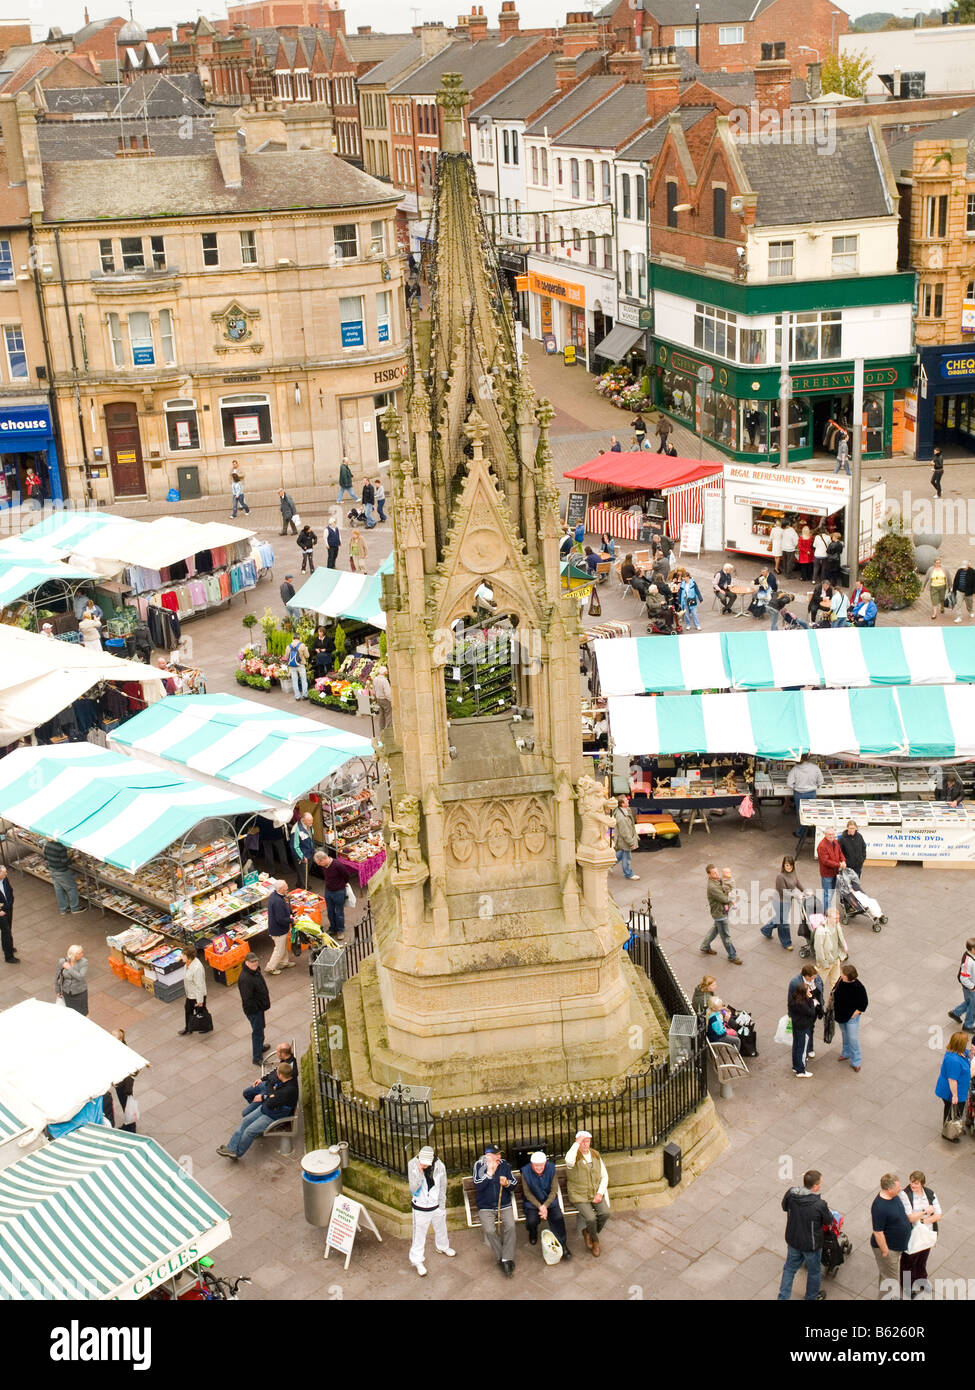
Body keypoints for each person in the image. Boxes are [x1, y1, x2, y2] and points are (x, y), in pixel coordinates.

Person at [217, 1061, 298, 1160]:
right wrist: (271, 1094)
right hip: (267, 1108)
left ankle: (237, 1153)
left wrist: (268, 1094)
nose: (276, 1074)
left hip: (273, 1115)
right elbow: (270, 1083)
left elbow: (271, 1102)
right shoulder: (285, 1078)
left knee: (249, 1131)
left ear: (281, 1075)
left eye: (277, 1073)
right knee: (245, 1121)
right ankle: (231, 1148)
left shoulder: (289, 1090)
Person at [778, 1169, 831, 1301]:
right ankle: (811, 1297)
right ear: (815, 1186)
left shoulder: (791, 1194)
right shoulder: (819, 1204)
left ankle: (782, 1298)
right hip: (811, 1245)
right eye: (820, 1183)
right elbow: (828, 1220)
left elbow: (784, 1207)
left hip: (793, 1240)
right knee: (814, 1272)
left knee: (789, 1270)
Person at [407, 1145, 455, 1275]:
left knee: (441, 1228)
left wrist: (442, 1206)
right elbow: (413, 1188)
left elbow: (443, 1186)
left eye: (426, 1163)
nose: (425, 1165)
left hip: (436, 1206)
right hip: (420, 1207)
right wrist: (420, 1173)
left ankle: (443, 1247)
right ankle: (417, 1260)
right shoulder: (412, 1165)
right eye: (423, 1163)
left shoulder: (440, 1166)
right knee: (419, 1235)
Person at [472, 1143, 517, 1276]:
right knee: (490, 1231)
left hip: (504, 1204)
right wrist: (490, 1174)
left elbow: (513, 1184)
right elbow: (478, 1186)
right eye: (495, 1155)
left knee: (511, 1226)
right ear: (487, 1156)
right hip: (485, 1206)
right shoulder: (479, 1166)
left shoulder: (504, 1165)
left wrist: (507, 1183)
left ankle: (506, 1258)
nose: (499, 1156)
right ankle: (500, 1256)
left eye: (499, 1154)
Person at [565, 1129, 610, 1256]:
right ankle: (595, 1242)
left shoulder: (595, 1154)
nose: (585, 1144)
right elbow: (568, 1161)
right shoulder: (573, 1156)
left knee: (605, 1213)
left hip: (594, 1193)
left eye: (587, 1141)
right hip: (579, 1195)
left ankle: (588, 1232)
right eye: (582, 1141)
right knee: (590, 1218)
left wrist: (600, 1193)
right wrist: (576, 1144)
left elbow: (604, 1176)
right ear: (577, 1142)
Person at [521, 1150, 572, 1260]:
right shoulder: (525, 1172)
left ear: (545, 1164)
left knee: (558, 1218)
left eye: (541, 1166)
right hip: (533, 1202)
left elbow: (554, 1190)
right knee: (531, 1221)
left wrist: (545, 1206)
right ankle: (533, 1232)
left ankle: (562, 1244)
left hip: (549, 1200)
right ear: (531, 1164)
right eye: (536, 1166)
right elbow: (527, 1193)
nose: (539, 1168)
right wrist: (540, 1206)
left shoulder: (551, 1169)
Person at [899, 1171, 941, 1300]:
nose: (913, 1185)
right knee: (908, 1262)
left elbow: (938, 1215)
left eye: (916, 1183)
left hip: (926, 1234)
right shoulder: (905, 1195)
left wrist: (922, 1221)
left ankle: (921, 1280)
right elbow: (910, 1217)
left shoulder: (929, 1193)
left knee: (922, 1259)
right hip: (912, 1235)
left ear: (922, 1183)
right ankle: (907, 1286)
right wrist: (926, 1213)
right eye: (911, 1181)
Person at [871, 1174, 912, 1299]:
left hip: (896, 1246)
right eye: (898, 1186)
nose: (900, 1188)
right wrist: (885, 1251)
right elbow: (878, 1232)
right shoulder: (879, 1207)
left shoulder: (894, 1196)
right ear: (889, 1189)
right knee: (892, 1281)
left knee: (886, 1275)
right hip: (889, 1249)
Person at [700, 863, 742, 964]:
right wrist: (732, 894)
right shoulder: (712, 887)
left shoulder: (717, 880)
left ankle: (705, 946)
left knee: (715, 929)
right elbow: (724, 899)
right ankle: (732, 956)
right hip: (720, 914)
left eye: (717, 871)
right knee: (726, 936)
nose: (717, 874)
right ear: (709, 875)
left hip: (722, 911)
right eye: (714, 873)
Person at [312, 849, 358, 938]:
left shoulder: (338, 865)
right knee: (330, 912)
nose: (318, 865)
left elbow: (346, 876)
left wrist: (342, 884)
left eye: (319, 863)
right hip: (328, 891)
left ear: (323, 860)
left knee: (339, 912)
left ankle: (340, 930)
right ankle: (333, 928)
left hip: (339, 891)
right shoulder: (324, 866)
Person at [761, 854, 803, 950]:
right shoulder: (780, 877)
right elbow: (783, 892)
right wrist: (797, 895)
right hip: (779, 901)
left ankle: (765, 930)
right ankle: (786, 943)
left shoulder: (793, 873)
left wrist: (805, 891)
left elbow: (797, 882)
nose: (789, 867)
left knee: (779, 918)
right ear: (783, 865)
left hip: (788, 901)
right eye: (787, 865)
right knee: (783, 922)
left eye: (791, 865)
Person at [935, 1030, 971, 1138]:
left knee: (954, 1111)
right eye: (965, 1042)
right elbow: (952, 1080)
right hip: (952, 1092)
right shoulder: (953, 1061)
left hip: (958, 1090)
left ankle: (956, 1126)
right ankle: (949, 1133)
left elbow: (968, 1053)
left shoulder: (960, 1051)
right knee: (952, 1112)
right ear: (960, 1044)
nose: (967, 1044)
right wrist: (955, 1096)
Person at [833, 962, 867, 1073]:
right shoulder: (841, 981)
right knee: (844, 1034)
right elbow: (835, 990)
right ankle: (846, 1053)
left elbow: (863, 1004)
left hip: (851, 1018)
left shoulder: (858, 988)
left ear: (848, 976)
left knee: (853, 1038)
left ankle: (856, 1061)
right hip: (840, 1015)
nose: (841, 975)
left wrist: (854, 1014)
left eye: (842, 974)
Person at [238, 953, 271, 1066]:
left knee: (260, 1028)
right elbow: (247, 998)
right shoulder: (245, 979)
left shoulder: (254, 971)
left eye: (256, 961)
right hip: (254, 1010)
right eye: (252, 962)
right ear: (246, 963)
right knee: (257, 1032)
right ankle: (257, 1057)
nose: (255, 963)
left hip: (259, 1007)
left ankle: (260, 1047)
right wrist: (257, 1007)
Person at [42, 838, 85, 915]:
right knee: (71, 888)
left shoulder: (47, 844)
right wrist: (74, 859)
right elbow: (65, 862)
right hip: (61, 871)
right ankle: (75, 908)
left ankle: (63, 909)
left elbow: (45, 857)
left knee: (59, 890)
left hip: (52, 869)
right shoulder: (61, 848)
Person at [786, 755, 823, 837]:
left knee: (800, 814)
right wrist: (814, 786)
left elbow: (789, 783)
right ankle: (813, 832)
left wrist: (796, 788)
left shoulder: (794, 769)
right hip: (812, 793)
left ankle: (801, 833)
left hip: (799, 794)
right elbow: (821, 781)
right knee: (813, 813)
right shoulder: (815, 768)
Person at [789, 980, 818, 1078]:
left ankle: (795, 1066)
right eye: (807, 990)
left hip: (796, 1025)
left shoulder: (794, 1000)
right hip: (803, 1027)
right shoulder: (803, 1004)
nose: (809, 991)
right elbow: (811, 1012)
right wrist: (811, 1000)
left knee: (796, 1046)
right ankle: (801, 1070)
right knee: (802, 1048)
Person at [266, 880, 295, 974]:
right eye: (286, 887)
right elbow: (280, 919)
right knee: (279, 949)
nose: (287, 888)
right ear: (281, 889)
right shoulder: (278, 901)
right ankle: (270, 967)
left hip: (277, 928)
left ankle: (284, 962)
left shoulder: (275, 896)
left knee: (282, 946)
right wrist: (292, 920)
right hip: (278, 930)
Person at [112, 1028, 138, 1132]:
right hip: (120, 1083)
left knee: (127, 1105)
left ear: (120, 1039)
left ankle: (131, 1127)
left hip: (124, 1085)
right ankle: (129, 1124)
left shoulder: (123, 1051)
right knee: (126, 1105)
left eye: (113, 1036)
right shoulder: (117, 1048)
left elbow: (135, 1068)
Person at [178, 945, 207, 1034]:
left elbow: (199, 985)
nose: (181, 957)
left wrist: (199, 1000)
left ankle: (206, 1026)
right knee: (188, 1010)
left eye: (183, 955)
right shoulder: (187, 964)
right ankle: (189, 1028)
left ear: (189, 957)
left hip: (196, 995)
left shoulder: (197, 968)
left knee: (200, 1011)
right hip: (190, 994)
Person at [949, 936, 975, 1033]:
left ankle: (956, 1013)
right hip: (971, 988)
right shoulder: (968, 962)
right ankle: (968, 1025)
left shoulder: (972, 956)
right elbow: (963, 978)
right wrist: (972, 987)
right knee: (973, 1006)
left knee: (970, 1002)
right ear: (972, 949)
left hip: (972, 986)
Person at [816, 827, 845, 909]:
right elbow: (826, 861)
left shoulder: (835, 842)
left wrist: (843, 860)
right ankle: (826, 914)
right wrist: (839, 865)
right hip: (827, 874)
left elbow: (840, 853)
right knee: (827, 894)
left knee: (831, 893)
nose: (831, 836)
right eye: (829, 834)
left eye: (832, 834)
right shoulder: (822, 846)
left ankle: (828, 909)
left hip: (835, 872)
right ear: (825, 834)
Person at [613, 794, 640, 881]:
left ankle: (609, 864)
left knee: (621, 854)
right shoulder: (621, 817)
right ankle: (628, 874)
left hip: (623, 840)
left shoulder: (624, 810)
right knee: (627, 858)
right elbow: (625, 833)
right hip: (624, 841)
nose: (628, 801)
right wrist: (631, 843)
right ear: (622, 804)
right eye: (626, 801)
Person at [56, 944, 88, 1016]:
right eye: (79, 953)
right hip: (67, 992)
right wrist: (58, 990)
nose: (82, 954)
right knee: (70, 1012)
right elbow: (57, 977)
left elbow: (80, 977)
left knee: (83, 1013)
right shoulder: (62, 961)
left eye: (82, 952)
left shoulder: (84, 962)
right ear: (73, 954)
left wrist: (69, 968)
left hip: (80, 992)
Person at [291, 811, 316, 887]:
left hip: (309, 853)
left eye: (312, 820)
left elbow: (311, 838)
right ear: (303, 820)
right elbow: (294, 846)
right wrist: (302, 857)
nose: (311, 822)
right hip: (302, 856)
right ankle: (304, 889)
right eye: (309, 820)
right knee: (303, 874)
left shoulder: (309, 825)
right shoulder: (296, 830)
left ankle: (299, 884)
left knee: (303, 872)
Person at [284, 634, 309, 701]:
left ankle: (297, 696)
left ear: (293, 638)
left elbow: (286, 657)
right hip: (300, 665)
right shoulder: (302, 645)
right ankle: (305, 695)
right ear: (299, 638)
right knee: (303, 680)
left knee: (294, 681)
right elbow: (307, 656)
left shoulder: (288, 647)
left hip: (292, 666)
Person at [0, 867, 15, 965]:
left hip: (8, 908)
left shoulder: (5, 879)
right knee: (6, 932)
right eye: (4, 873)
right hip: (1, 913)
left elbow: (10, 890)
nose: (6, 875)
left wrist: (11, 902)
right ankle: (8, 956)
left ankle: (9, 947)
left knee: (8, 929)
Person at [372, 665, 392, 731]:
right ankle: (388, 729)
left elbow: (373, 690)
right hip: (385, 699)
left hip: (378, 699)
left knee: (381, 714)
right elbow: (387, 693)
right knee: (388, 714)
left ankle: (382, 728)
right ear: (384, 672)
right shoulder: (384, 681)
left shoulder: (375, 679)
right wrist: (390, 700)